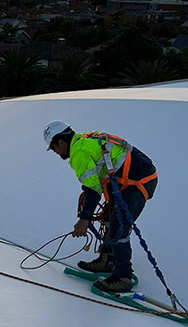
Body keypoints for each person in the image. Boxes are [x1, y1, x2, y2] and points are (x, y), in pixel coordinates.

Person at [43, 121, 158, 293]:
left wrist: (84, 219)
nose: (56, 152)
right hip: (131, 178)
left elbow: (92, 190)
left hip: (138, 181)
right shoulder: (84, 139)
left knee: (120, 227)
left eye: (54, 148)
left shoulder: (79, 153)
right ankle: (108, 260)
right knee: (108, 217)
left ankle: (123, 277)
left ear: (60, 142)